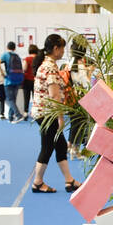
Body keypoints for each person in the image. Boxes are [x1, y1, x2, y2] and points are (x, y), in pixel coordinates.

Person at [30, 33, 79, 193]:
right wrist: (60, 118)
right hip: (47, 114)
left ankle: (69, 180)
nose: (64, 51)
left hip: (43, 112)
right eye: (62, 48)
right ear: (56, 48)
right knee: (47, 147)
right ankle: (37, 182)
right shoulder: (50, 67)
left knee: (60, 145)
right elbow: (54, 95)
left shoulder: (46, 65)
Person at [0, 41, 25, 121]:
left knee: (10, 99)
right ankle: (10, 117)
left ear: (7, 47)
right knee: (13, 99)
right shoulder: (17, 56)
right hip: (17, 79)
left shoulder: (5, 55)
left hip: (9, 80)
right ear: (14, 48)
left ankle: (18, 115)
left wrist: (2, 73)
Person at [22, 44, 39, 119]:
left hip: (27, 80)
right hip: (36, 80)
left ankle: (25, 112)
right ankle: (36, 112)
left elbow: (24, 69)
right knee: (35, 97)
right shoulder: (39, 59)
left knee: (26, 97)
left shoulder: (27, 59)